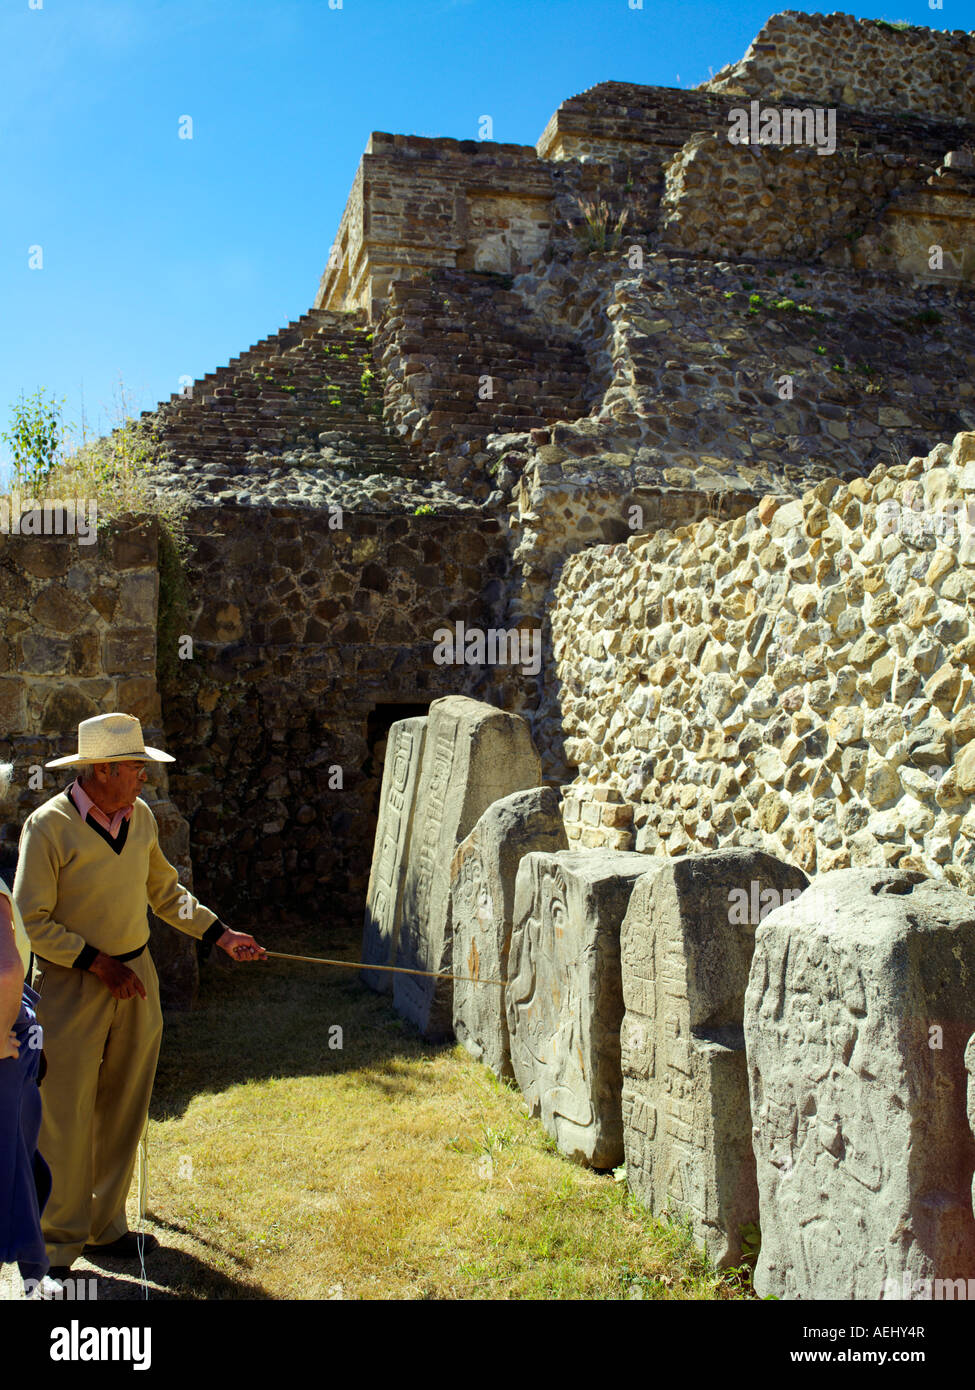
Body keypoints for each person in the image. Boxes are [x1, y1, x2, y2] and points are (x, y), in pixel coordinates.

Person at [14, 713, 266, 1278]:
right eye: (135, 769)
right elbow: (32, 920)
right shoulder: (47, 827)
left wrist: (220, 933)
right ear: (101, 770)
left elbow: (164, 892)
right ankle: (56, 1243)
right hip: (71, 985)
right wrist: (95, 963)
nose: (144, 780)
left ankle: (106, 1228)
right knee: (63, 1112)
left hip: (135, 979)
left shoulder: (142, 818)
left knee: (125, 1103)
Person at [0, 759, 51, 1293]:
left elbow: (9, 967)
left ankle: (35, 1270)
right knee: (15, 1155)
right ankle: (36, 1271)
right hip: (12, 1031)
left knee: (15, 1158)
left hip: (9, 1034)